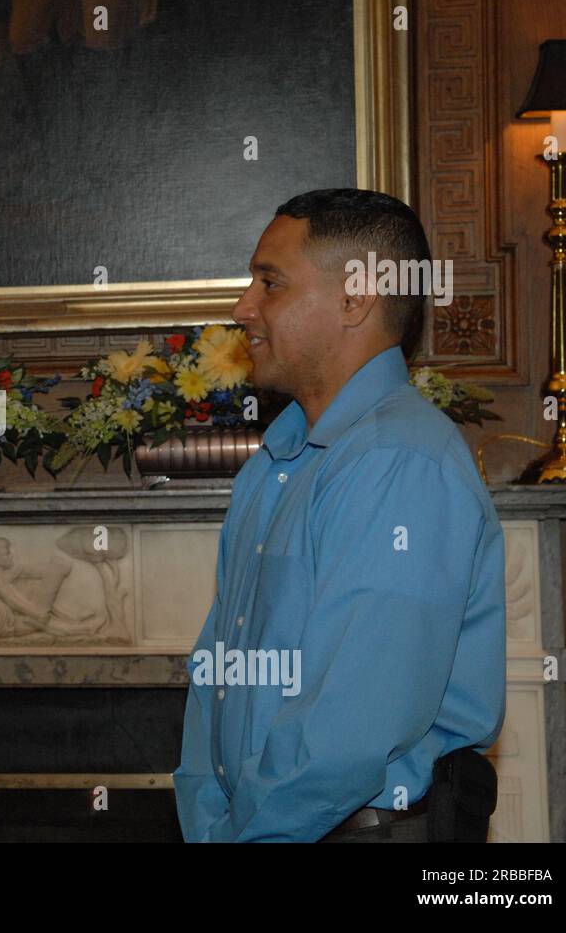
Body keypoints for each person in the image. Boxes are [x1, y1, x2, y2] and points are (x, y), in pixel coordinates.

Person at [173, 189, 505, 842]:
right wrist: (208, 827)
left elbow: (350, 725)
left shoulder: (401, 463)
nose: (244, 307)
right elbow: (215, 675)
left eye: (270, 282)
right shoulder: (270, 466)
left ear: (357, 297)